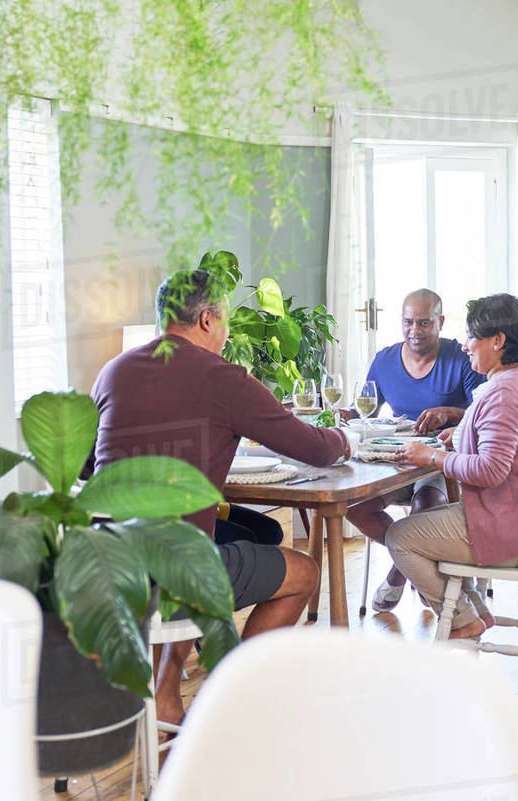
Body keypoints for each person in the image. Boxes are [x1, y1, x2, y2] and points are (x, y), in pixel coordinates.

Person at [84, 266, 356, 725]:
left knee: (249, 535)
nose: (227, 334)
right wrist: (347, 438)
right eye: (225, 321)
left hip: (108, 560)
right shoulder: (223, 377)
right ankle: (222, 702)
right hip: (174, 571)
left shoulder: (113, 371)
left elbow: (87, 467)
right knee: (303, 573)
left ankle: (165, 691)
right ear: (208, 319)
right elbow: (314, 449)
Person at [385, 293, 518, 639]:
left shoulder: (502, 393)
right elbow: (505, 445)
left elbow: (491, 470)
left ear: (498, 341)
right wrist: (462, 436)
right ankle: (474, 609)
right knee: (428, 529)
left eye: (471, 337)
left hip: (509, 527)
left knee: (400, 537)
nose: (465, 347)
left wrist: (431, 456)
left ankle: (463, 619)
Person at [346, 288, 485, 612]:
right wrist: (344, 414)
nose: (414, 330)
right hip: (394, 461)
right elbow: (364, 412)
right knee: (354, 508)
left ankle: (398, 574)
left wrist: (450, 413)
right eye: (408, 322)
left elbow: (484, 413)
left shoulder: (461, 358)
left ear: (441, 322)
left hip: (441, 462)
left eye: (424, 323)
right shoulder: (384, 360)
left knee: (427, 503)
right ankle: (417, 566)